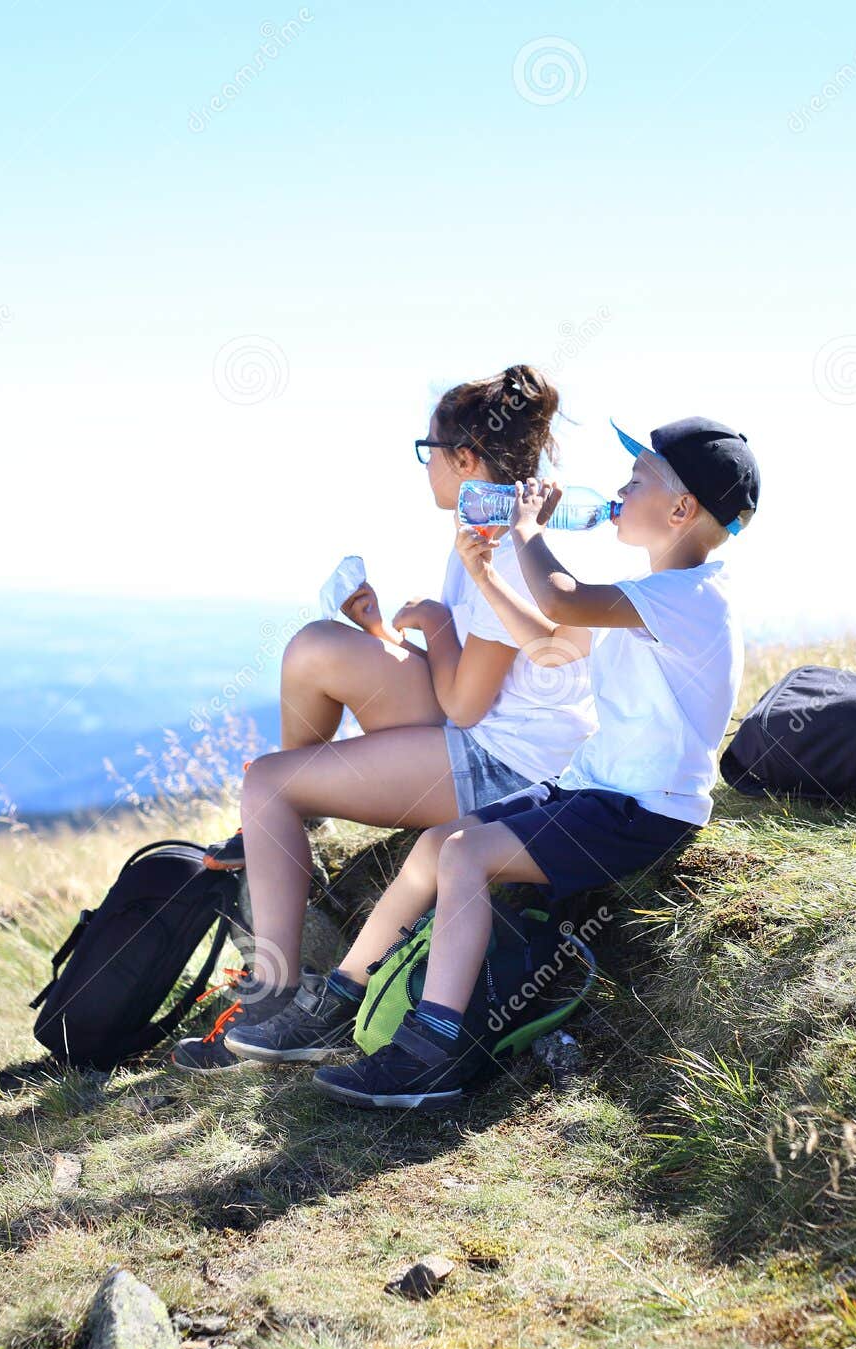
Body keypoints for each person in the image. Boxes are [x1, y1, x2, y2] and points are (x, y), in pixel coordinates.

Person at [227, 416, 760, 1104]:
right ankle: (340, 1000)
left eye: (636, 481)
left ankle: (432, 1050)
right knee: (435, 845)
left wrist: (528, 529)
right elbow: (546, 644)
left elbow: (562, 598)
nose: (619, 491)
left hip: (640, 812)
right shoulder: (651, 599)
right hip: (589, 790)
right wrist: (486, 572)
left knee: (464, 857)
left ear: (680, 509)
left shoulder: (692, 600)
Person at [171, 364, 596, 1072]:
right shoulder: (483, 525)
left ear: (464, 459)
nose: (424, 464)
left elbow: (465, 702)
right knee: (315, 646)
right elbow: (470, 680)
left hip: (506, 767)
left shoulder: (504, 555)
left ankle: (275, 991)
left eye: (427, 450)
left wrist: (435, 625)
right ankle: (291, 825)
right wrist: (383, 629)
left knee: (270, 784)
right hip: (482, 729)